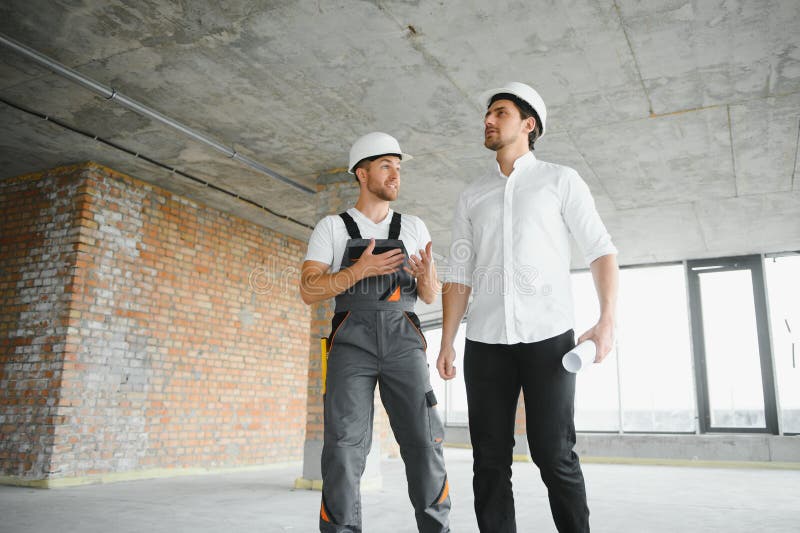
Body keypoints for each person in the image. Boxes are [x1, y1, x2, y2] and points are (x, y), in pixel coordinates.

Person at [437, 82, 619, 533]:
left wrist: (607, 320)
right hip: (485, 343)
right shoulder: (472, 195)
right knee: (490, 461)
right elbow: (459, 273)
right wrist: (445, 341)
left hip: (549, 340)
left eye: (500, 112)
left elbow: (600, 250)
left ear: (528, 124)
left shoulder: (560, 180)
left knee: (554, 455)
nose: (489, 120)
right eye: (488, 114)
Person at [300, 132, 451, 533]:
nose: (396, 175)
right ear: (362, 174)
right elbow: (308, 290)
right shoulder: (332, 227)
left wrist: (426, 278)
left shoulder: (414, 226)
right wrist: (356, 271)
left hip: (404, 339)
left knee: (425, 444)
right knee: (343, 450)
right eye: (387, 166)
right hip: (351, 344)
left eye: (398, 168)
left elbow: (431, 296)